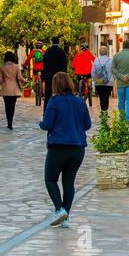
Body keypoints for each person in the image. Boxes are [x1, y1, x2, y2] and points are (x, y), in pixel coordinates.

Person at [38, 72, 91, 229]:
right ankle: (65, 217)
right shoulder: (80, 102)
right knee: (68, 182)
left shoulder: (54, 102)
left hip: (58, 147)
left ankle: (60, 209)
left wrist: (40, 124)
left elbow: (47, 124)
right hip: (78, 148)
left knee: (50, 179)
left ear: (55, 85)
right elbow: (87, 125)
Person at [112, 38, 129, 123]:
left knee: (121, 101)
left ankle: (121, 118)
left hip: (121, 82)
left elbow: (113, 69)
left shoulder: (116, 56)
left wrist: (121, 76)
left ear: (122, 46)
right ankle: (128, 119)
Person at [41, 38, 68, 109]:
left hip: (49, 76)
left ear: (52, 42)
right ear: (59, 42)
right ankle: (60, 111)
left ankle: (46, 112)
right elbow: (65, 65)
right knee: (60, 94)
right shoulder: (61, 52)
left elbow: (44, 65)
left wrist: (43, 76)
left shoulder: (48, 51)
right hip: (59, 77)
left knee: (48, 96)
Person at [0, 51, 22, 130]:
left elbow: (0, 79)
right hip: (14, 89)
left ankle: (9, 122)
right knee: (12, 106)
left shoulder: (2, 67)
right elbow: (19, 78)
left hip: (5, 88)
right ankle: (11, 122)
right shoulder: (16, 66)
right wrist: (24, 81)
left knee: (7, 106)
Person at [91, 44, 114, 113]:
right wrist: (112, 80)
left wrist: (95, 81)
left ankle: (103, 112)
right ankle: (105, 111)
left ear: (99, 52)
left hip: (99, 82)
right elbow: (114, 72)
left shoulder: (96, 61)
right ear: (107, 52)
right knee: (106, 97)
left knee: (101, 97)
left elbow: (93, 72)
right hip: (109, 82)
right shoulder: (111, 60)